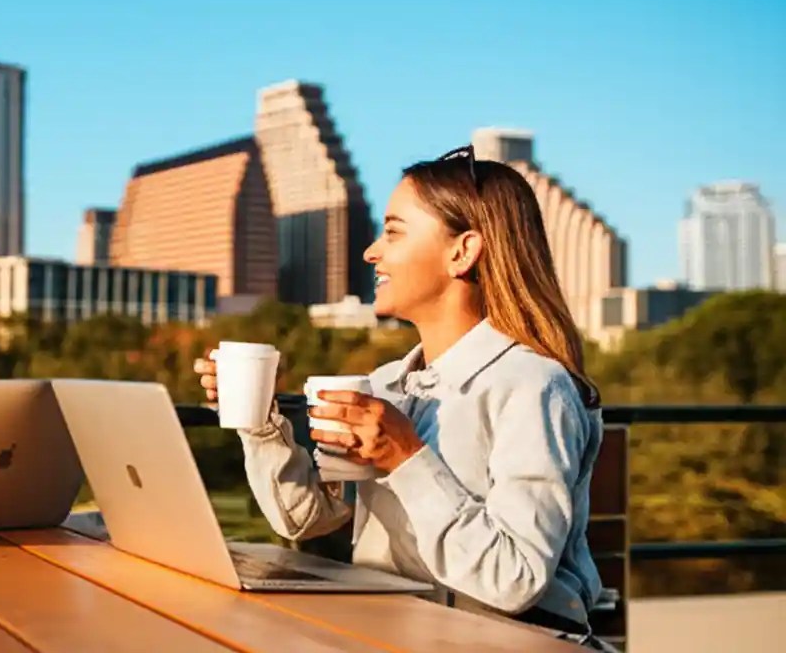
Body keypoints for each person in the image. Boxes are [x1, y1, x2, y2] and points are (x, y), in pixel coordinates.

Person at [196, 146, 614, 649]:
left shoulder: (532, 386)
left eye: (393, 232)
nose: (371, 252)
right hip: (396, 636)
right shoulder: (392, 381)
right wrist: (259, 422)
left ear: (462, 252)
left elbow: (515, 578)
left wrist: (406, 457)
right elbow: (306, 518)